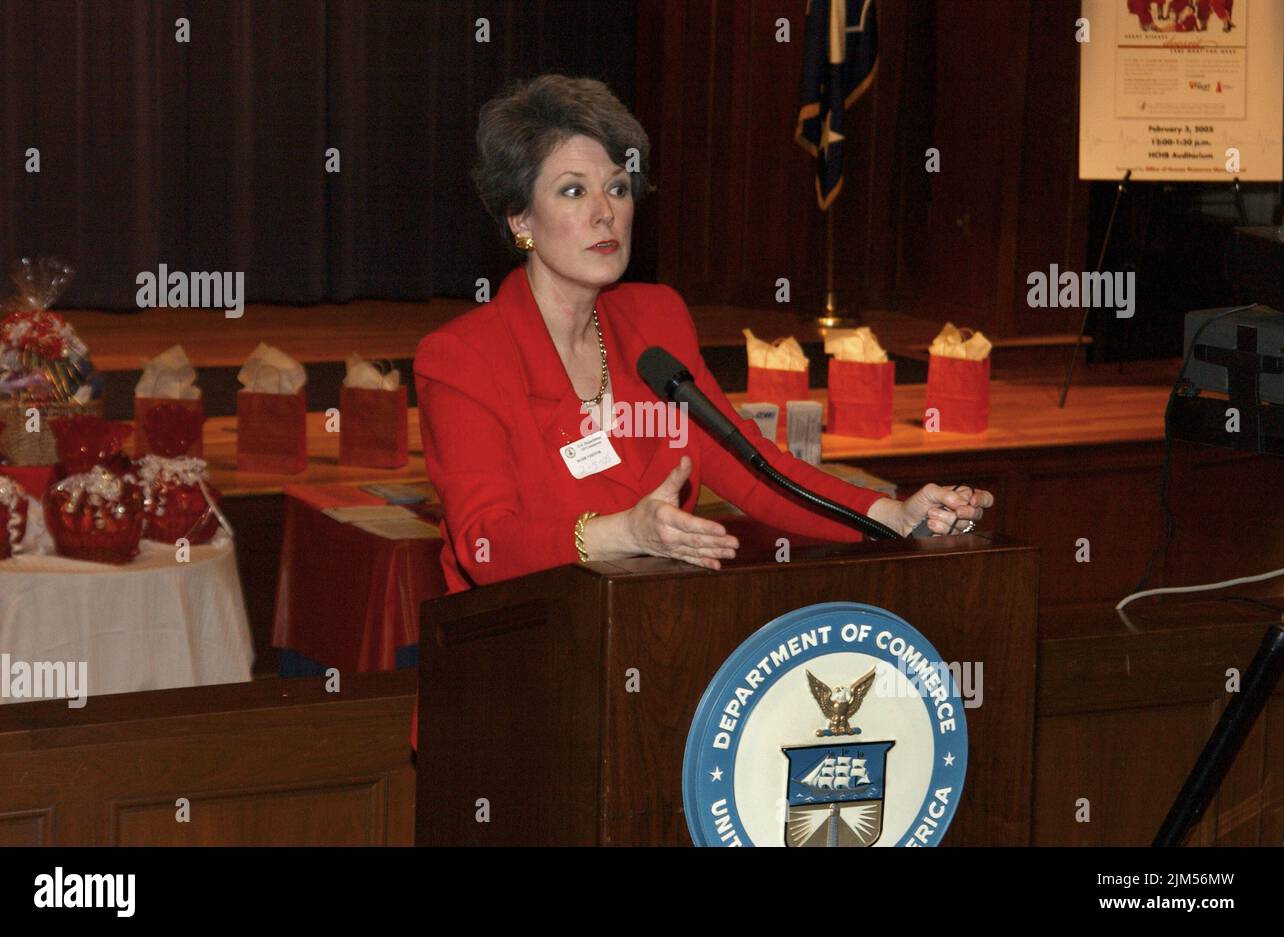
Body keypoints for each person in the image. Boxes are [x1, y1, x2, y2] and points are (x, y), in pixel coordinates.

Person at [413, 74, 993, 596]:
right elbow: (485, 545)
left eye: (617, 188)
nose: (605, 213)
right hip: (516, 671)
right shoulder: (463, 358)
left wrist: (889, 516)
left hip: (657, 647)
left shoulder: (655, 321)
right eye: (572, 191)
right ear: (520, 221)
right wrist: (625, 532)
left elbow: (753, 467)